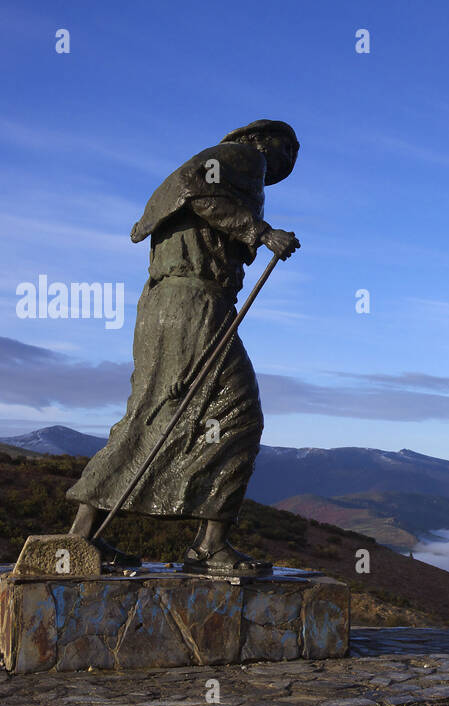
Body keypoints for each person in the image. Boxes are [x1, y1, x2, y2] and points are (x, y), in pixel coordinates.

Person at [66, 119, 301, 575]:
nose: (291, 158)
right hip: (192, 303)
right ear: (260, 139)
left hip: (179, 304)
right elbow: (193, 187)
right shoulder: (243, 157)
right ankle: (207, 546)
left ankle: (83, 536)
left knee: (160, 411)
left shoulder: (236, 169)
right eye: (287, 146)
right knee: (237, 412)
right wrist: (260, 231)